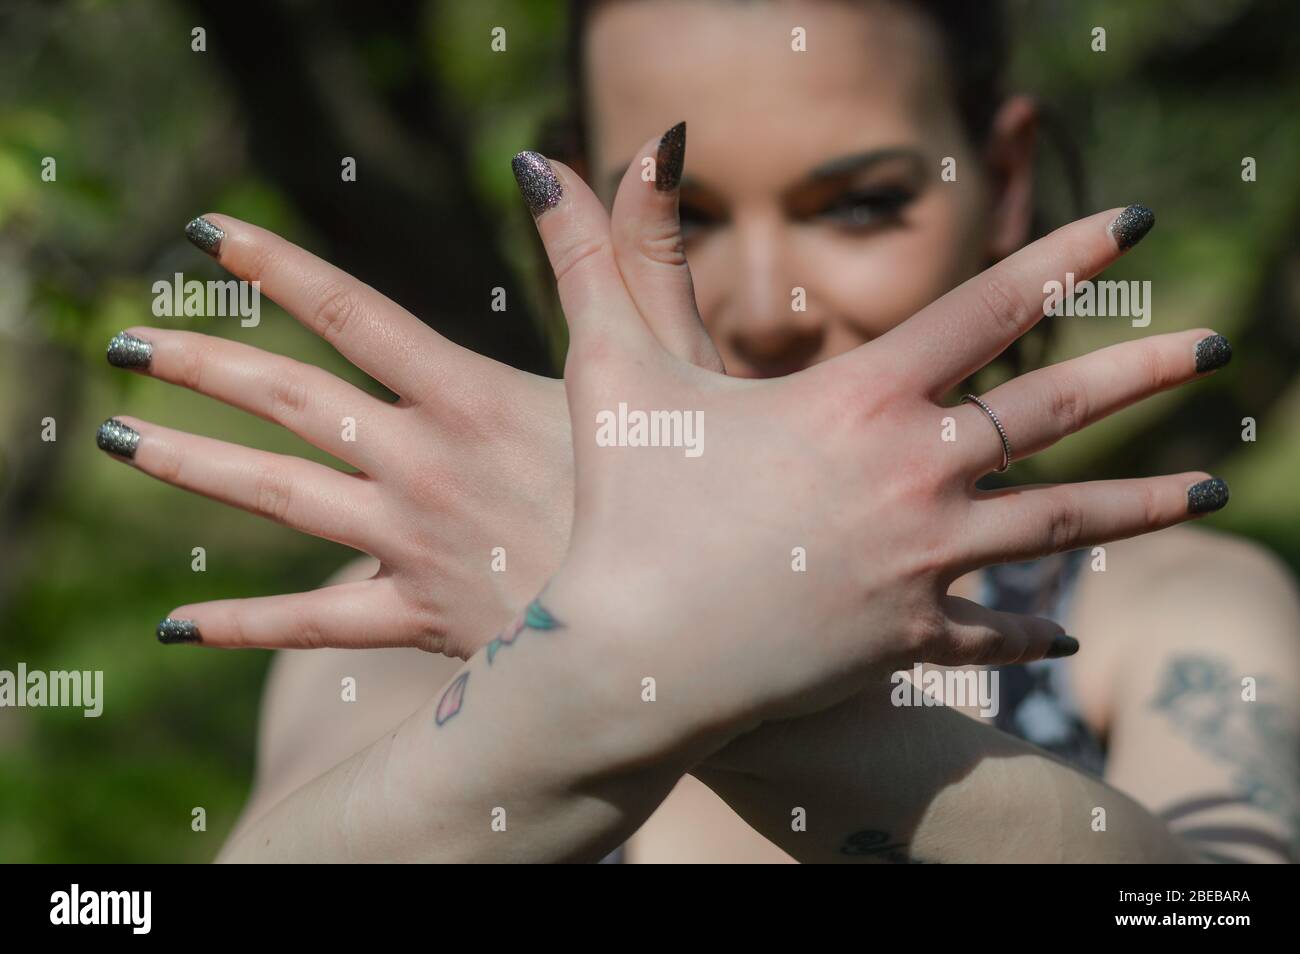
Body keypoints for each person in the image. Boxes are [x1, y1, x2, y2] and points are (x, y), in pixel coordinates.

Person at [97, 0, 1298, 862]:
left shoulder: (1162, 600)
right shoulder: (403, 607)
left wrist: (649, 657)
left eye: (863, 204)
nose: (768, 306)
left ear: (1007, 183)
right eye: (683, 208)